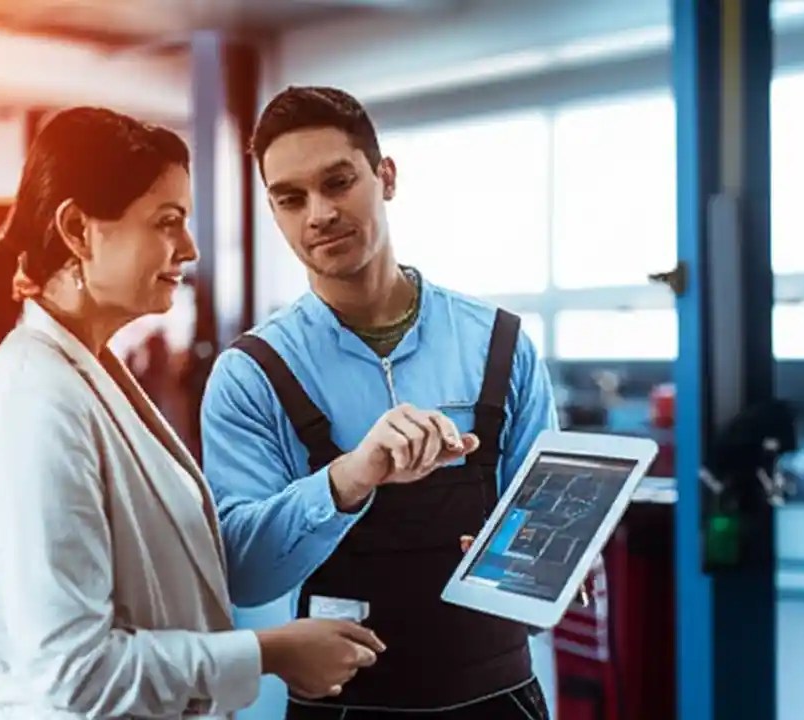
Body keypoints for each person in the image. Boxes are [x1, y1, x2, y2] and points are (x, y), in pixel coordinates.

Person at [0, 106, 385, 719]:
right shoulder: (32, 402)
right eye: (167, 222)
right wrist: (266, 654)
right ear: (77, 229)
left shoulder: (91, 374)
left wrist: (346, 483)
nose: (190, 248)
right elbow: (76, 673)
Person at [200, 87, 559, 719]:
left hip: (500, 699)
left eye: (338, 183)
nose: (318, 214)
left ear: (385, 177)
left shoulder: (499, 345)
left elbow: (546, 525)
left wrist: (557, 564)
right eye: (290, 199)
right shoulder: (251, 376)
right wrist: (348, 477)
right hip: (347, 708)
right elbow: (246, 573)